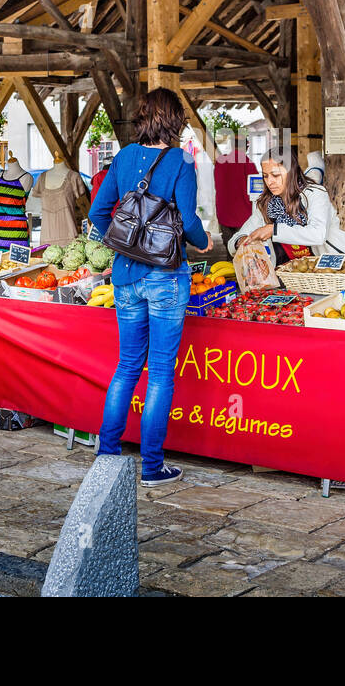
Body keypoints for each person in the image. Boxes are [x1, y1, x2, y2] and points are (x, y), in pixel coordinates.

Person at [89, 88, 211, 487]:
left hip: (125, 275)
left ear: (143, 117)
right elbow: (189, 220)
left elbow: (97, 212)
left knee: (126, 366)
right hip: (165, 278)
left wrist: (126, 241)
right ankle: (152, 467)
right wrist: (204, 241)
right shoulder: (181, 161)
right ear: (174, 120)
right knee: (159, 373)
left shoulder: (122, 157)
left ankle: (107, 456)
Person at [227, 154, 345, 260]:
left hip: (330, 269)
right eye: (265, 176)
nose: (270, 181)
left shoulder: (315, 194)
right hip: (289, 277)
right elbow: (235, 239)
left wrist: (273, 230)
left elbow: (318, 235)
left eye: (275, 175)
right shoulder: (266, 204)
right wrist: (241, 241)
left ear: (291, 172)